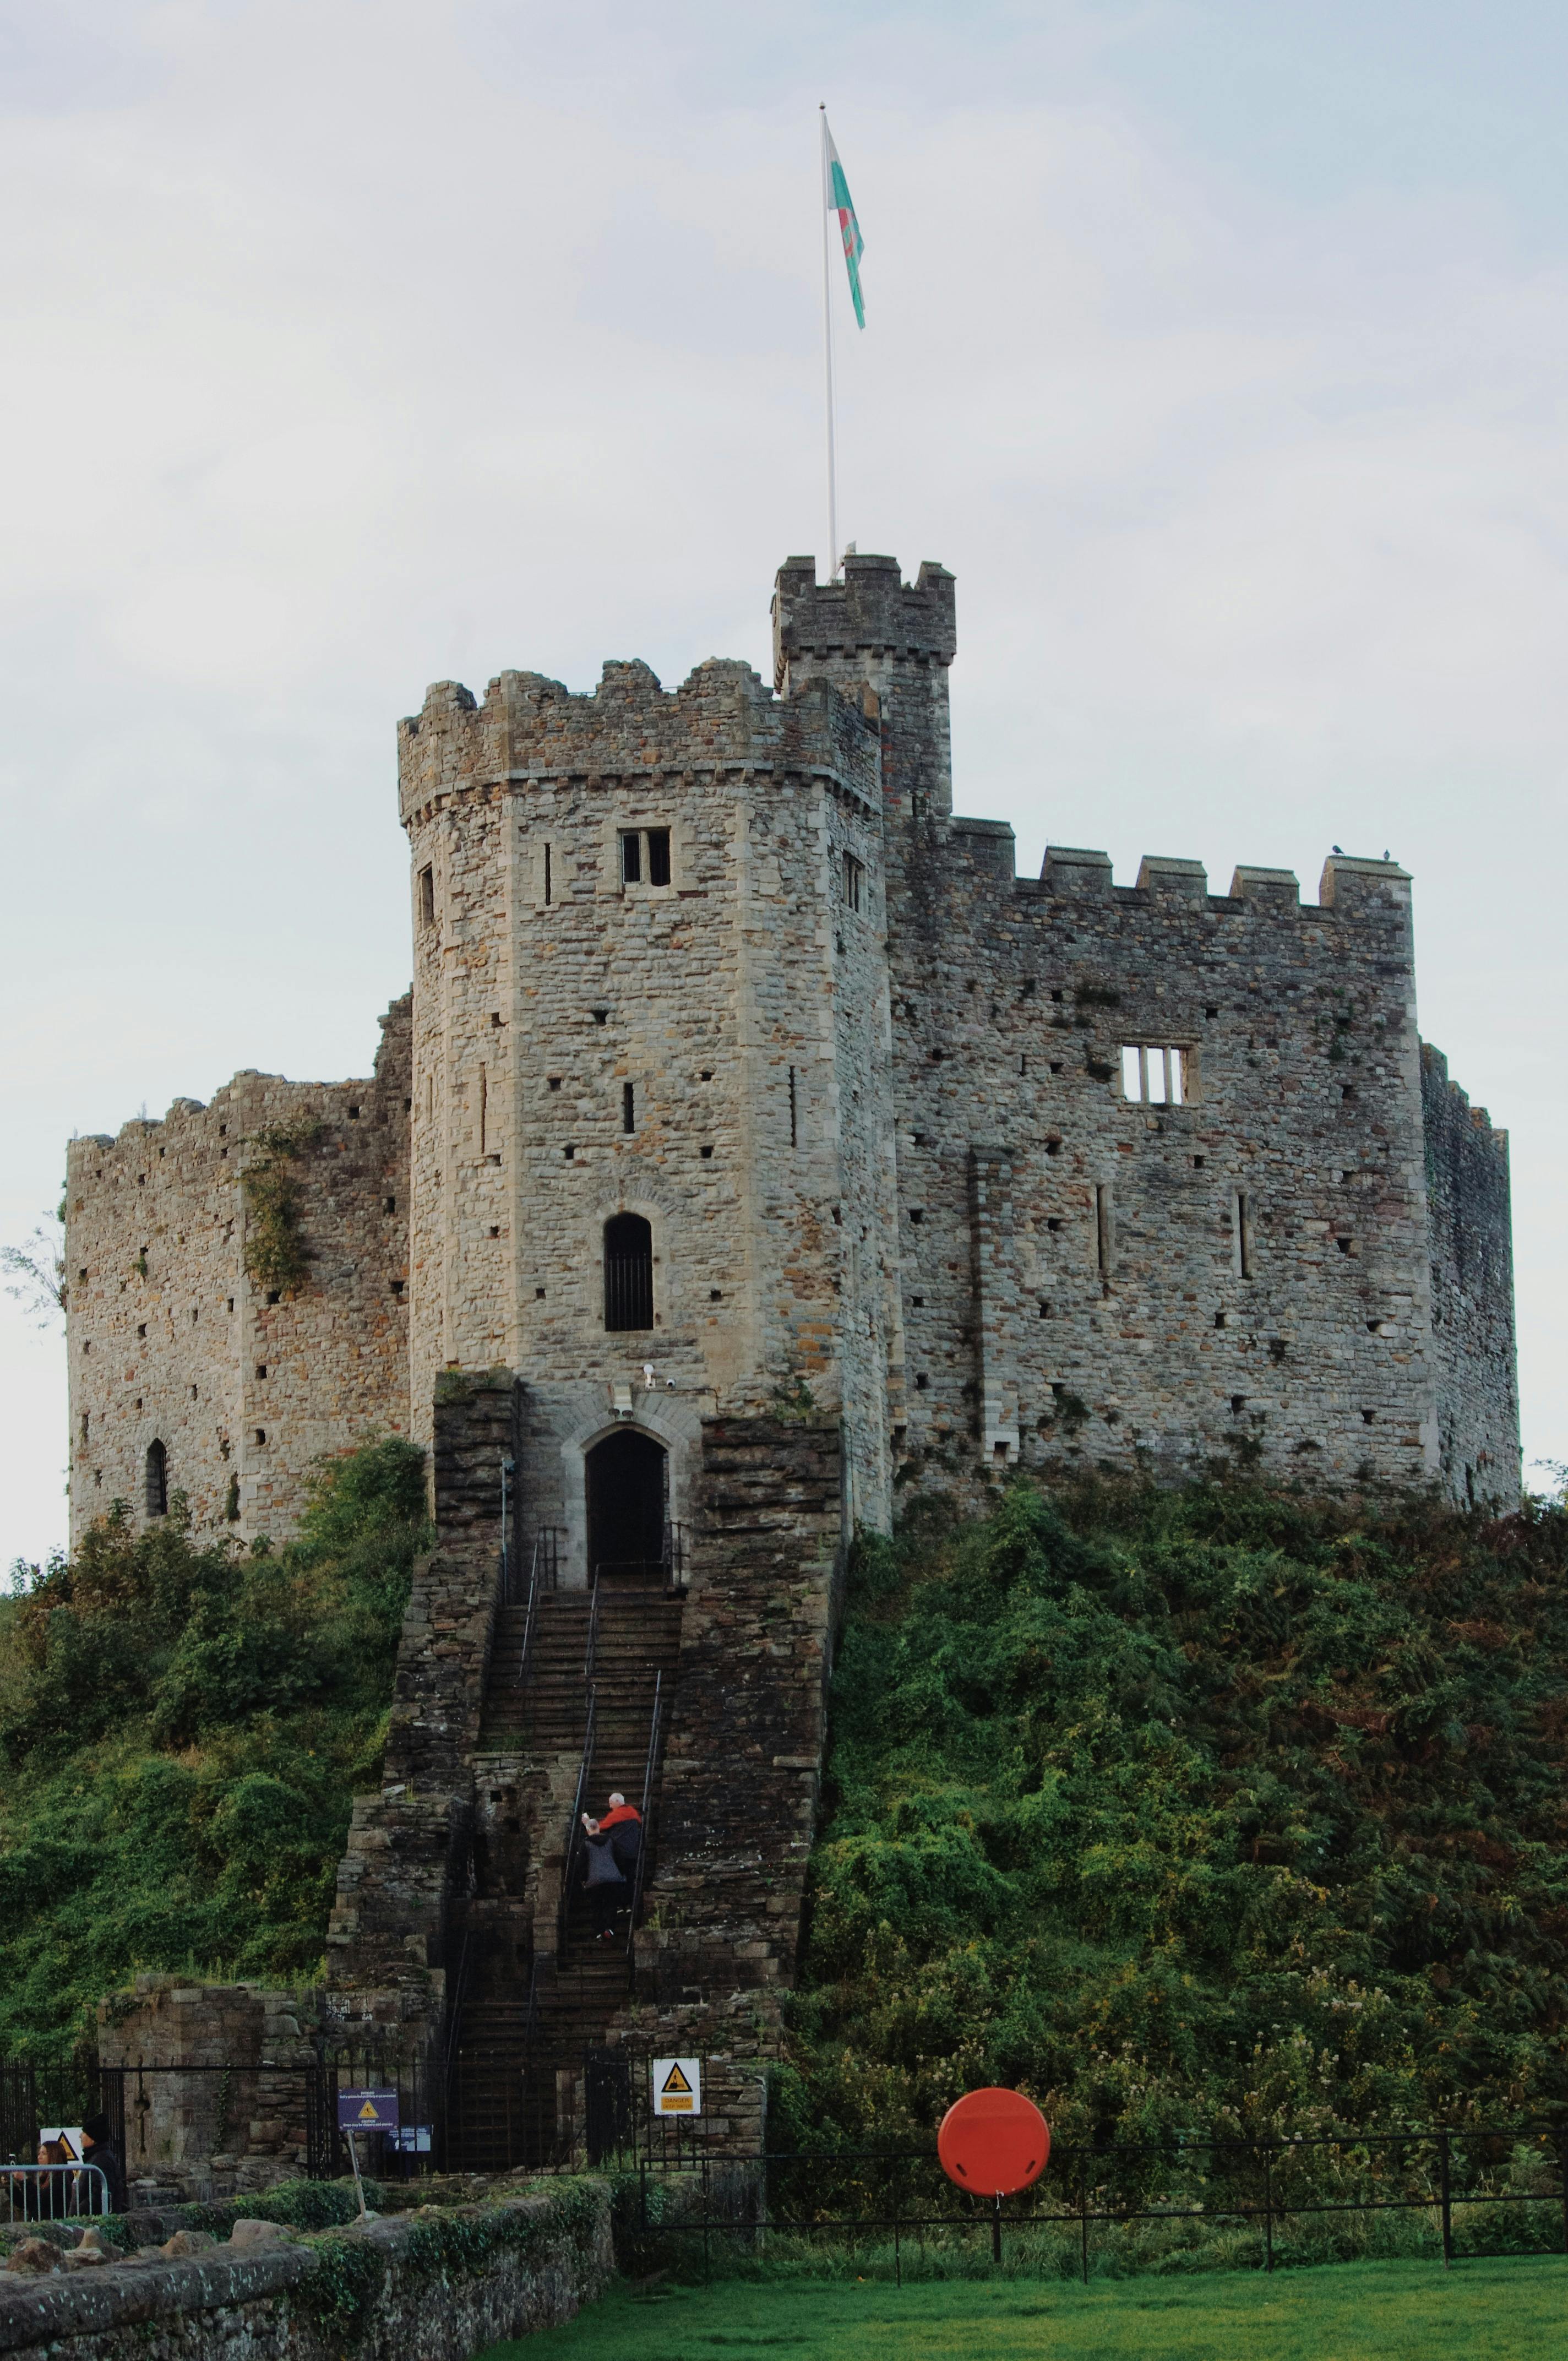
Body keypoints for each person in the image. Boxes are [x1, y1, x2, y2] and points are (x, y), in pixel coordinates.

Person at [579, 1816, 627, 1941]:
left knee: (597, 1907)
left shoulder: (586, 1844)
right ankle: (609, 1928)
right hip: (613, 1879)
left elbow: (582, 1864)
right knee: (611, 1904)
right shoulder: (611, 1840)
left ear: (588, 1830)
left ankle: (599, 1932)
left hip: (594, 1881)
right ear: (599, 1828)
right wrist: (621, 1873)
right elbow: (620, 1858)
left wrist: (584, 1879)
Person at [79, 2114, 126, 2215]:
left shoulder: (102, 2160)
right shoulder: (96, 2157)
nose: (80, 2136)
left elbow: (100, 2194)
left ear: (93, 2138)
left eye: (84, 2132)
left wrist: (79, 2211)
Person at [598, 1792, 643, 1881]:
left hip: (618, 1852)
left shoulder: (616, 1815)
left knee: (617, 1878)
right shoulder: (633, 1813)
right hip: (633, 1852)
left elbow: (600, 1828)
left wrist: (588, 1823)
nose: (610, 1806)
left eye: (611, 1803)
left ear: (618, 1801)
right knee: (630, 1878)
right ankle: (630, 1894)